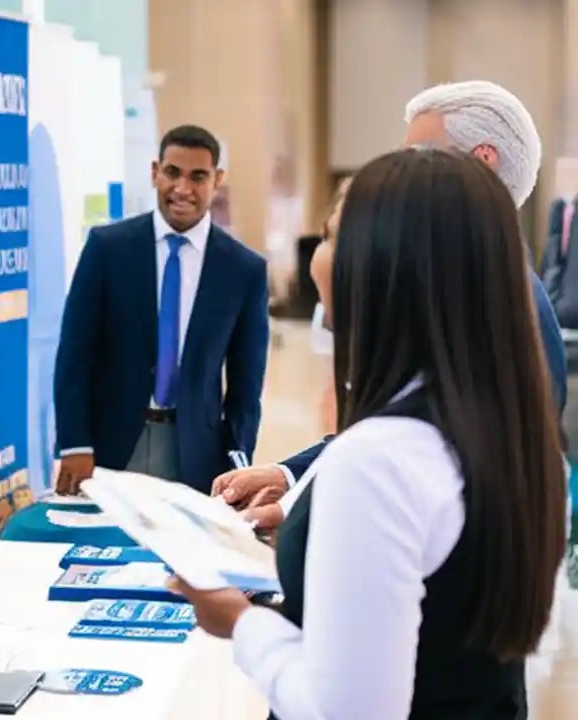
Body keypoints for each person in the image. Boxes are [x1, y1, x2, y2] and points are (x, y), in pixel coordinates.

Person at [172, 147, 568, 718]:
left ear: (389, 263)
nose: (317, 256)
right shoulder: (507, 427)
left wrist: (239, 621)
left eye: (331, 237)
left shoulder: (379, 459)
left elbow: (346, 710)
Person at [215, 80, 569, 528]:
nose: (404, 174)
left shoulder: (508, 306)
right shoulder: (448, 285)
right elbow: (397, 425)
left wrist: (299, 514)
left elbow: (435, 466)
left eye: (420, 156)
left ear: (482, 163)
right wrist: (291, 477)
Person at [54, 124, 269, 495]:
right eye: (172, 173)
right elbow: (75, 355)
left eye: (197, 176)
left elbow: (246, 385)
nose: (182, 188)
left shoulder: (244, 269)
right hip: (111, 449)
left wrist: (237, 460)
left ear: (217, 180)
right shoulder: (108, 248)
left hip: (197, 456)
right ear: (155, 172)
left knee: (185, 553)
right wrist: (76, 443)